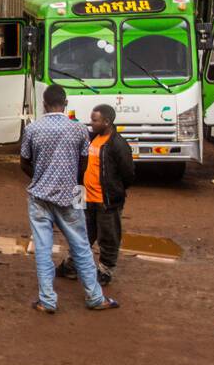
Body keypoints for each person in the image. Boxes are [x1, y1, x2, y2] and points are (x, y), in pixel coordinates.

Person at [20, 84, 120, 313]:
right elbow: (84, 163)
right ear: (65, 104)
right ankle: (95, 297)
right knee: (81, 246)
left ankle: (47, 300)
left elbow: (24, 162)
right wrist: (69, 179)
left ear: (44, 104)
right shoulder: (79, 130)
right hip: (73, 192)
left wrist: (42, 176)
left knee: (43, 249)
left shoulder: (33, 129)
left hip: (39, 194)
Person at [57, 104, 134, 286]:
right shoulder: (91, 139)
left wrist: (115, 193)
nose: (91, 123)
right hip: (84, 199)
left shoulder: (118, 145)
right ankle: (71, 266)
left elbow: (128, 174)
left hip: (105, 202)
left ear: (106, 122)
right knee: (80, 235)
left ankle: (104, 272)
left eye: (95, 120)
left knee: (108, 238)